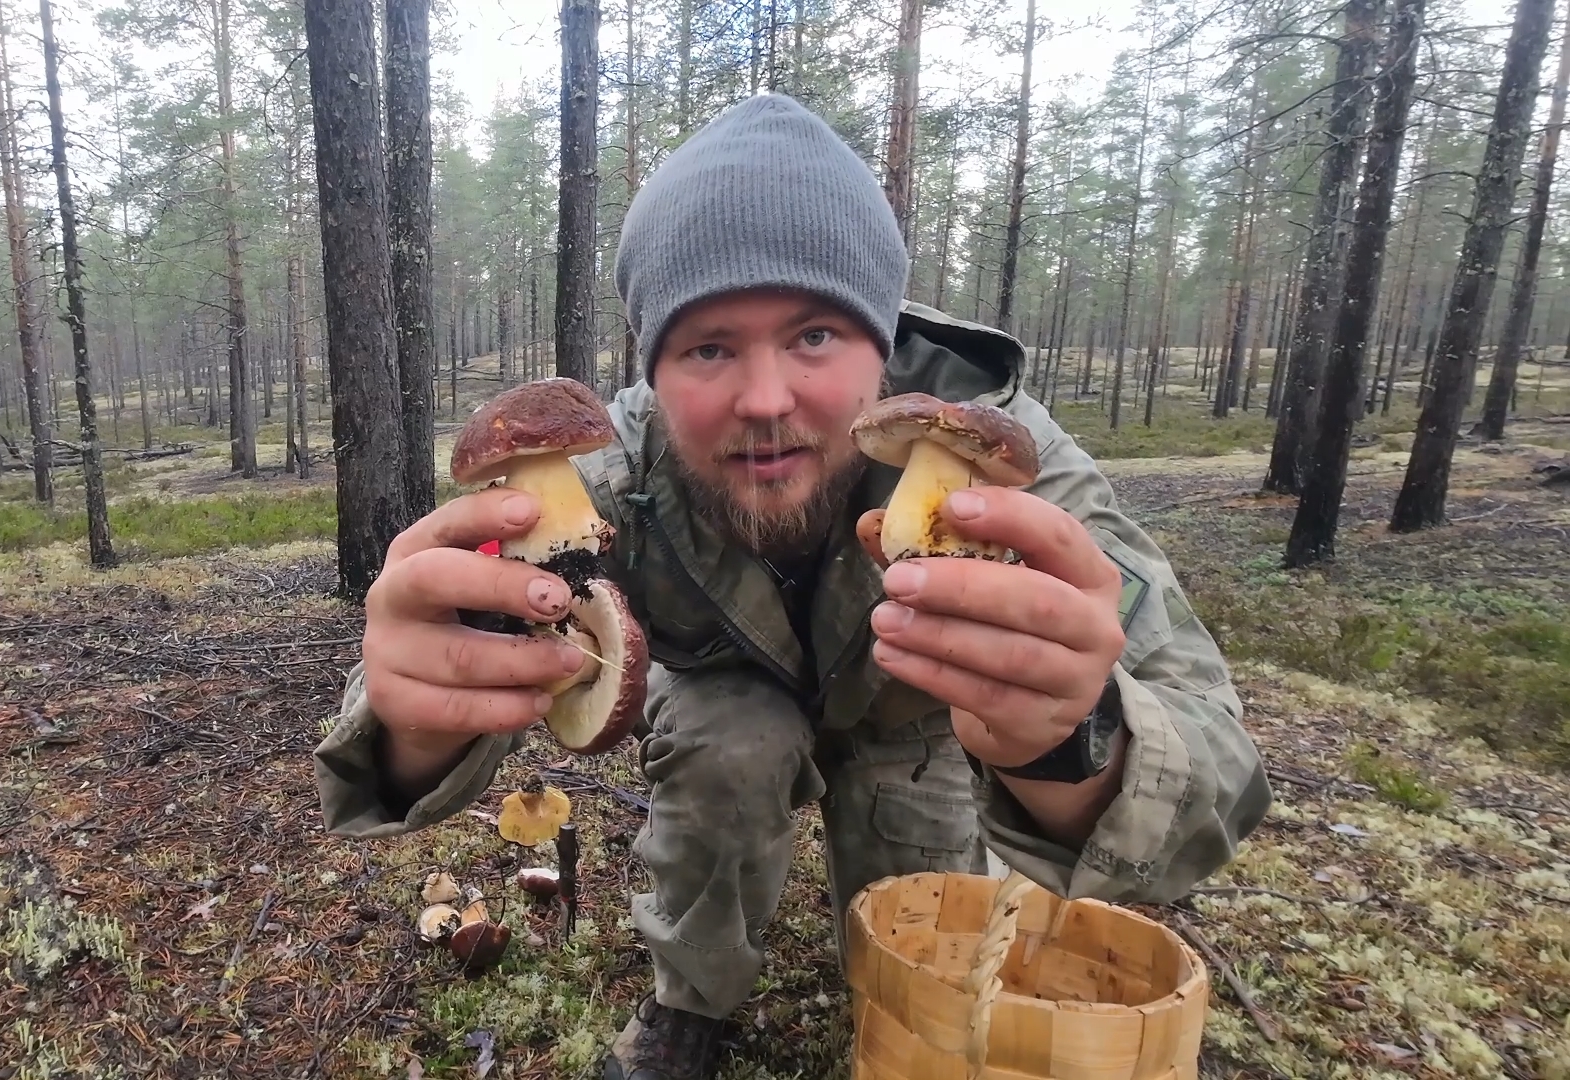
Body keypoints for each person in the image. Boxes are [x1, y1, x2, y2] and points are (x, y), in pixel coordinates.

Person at [314, 93, 1270, 1080]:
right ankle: (693, 1000)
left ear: (883, 341)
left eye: (815, 335)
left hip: (914, 723)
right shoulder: (606, 470)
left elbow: (1212, 760)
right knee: (732, 738)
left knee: (914, 955)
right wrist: (414, 725)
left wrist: (1075, 745)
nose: (765, 400)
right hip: (726, 710)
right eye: (710, 347)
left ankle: (893, 990)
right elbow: (436, 651)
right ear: (655, 368)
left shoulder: (998, 461)